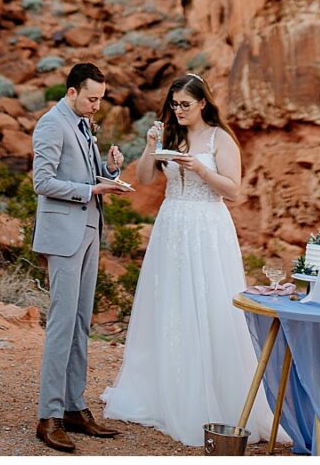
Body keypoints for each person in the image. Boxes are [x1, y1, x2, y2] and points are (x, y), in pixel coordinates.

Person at [100, 73, 276, 446]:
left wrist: (202, 170)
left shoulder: (220, 138)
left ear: (202, 104)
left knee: (210, 303)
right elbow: (146, 179)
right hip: (171, 224)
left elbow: (235, 190)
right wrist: (150, 146)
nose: (178, 110)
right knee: (170, 304)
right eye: (174, 104)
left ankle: (211, 396)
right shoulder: (171, 136)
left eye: (185, 104)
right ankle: (165, 391)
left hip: (207, 226)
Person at [32, 61, 127, 452]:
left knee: (81, 324)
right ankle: (48, 415)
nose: (96, 106)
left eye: (101, 99)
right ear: (71, 92)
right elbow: (43, 181)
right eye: (91, 98)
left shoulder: (82, 123)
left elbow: (84, 176)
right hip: (65, 234)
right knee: (61, 325)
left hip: (89, 231)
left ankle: (74, 406)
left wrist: (108, 170)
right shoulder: (52, 123)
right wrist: (92, 192)